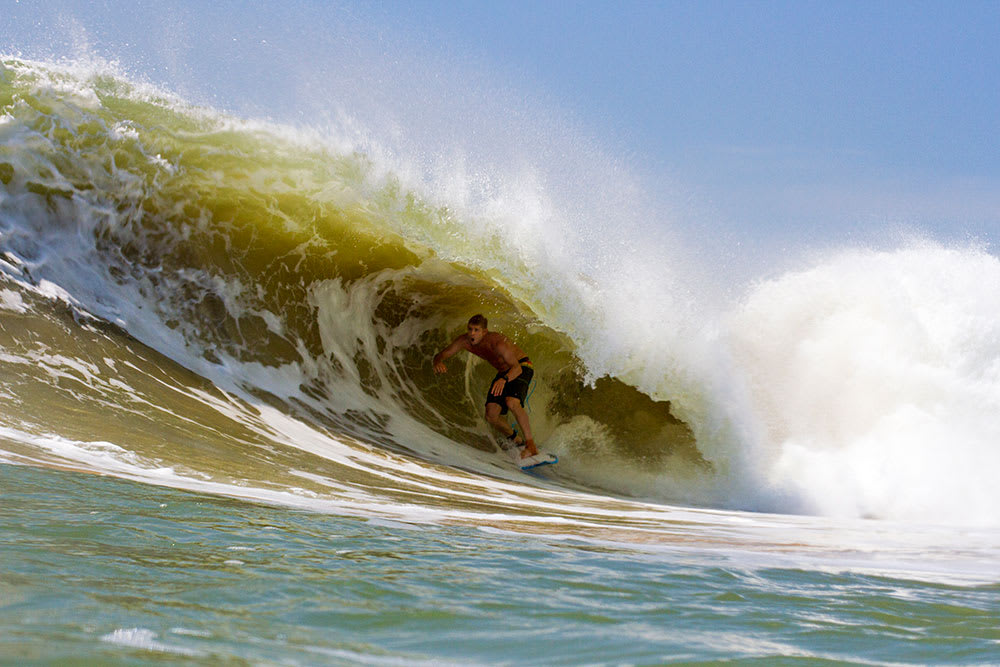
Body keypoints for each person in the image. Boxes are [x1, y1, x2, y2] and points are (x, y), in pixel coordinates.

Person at [432, 314, 539, 459]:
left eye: (476, 330)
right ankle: (516, 439)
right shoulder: (465, 341)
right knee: (491, 415)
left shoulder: (498, 343)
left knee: (511, 402)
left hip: (521, 366)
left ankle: (530, 445)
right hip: (504, 373)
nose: (472, 334)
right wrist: (437, 361)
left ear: (484, 332)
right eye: (470, 329)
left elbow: (517, 369)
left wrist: (504, 380)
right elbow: (443, 354)